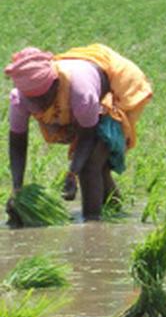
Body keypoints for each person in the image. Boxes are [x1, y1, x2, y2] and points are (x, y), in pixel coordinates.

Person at [5, 44, 152, 221]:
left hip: (118, 85)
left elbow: (87, 136)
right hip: (88, 95)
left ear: (56, 84)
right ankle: (114, 211)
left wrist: (72, 173)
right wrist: (17, 188)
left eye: (44, 98)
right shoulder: (19, 100)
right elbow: (17, 144)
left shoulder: (80, 93)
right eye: (33, 100)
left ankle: (92, 223)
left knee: (90, 165)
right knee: (99, 166)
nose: (39, 106)